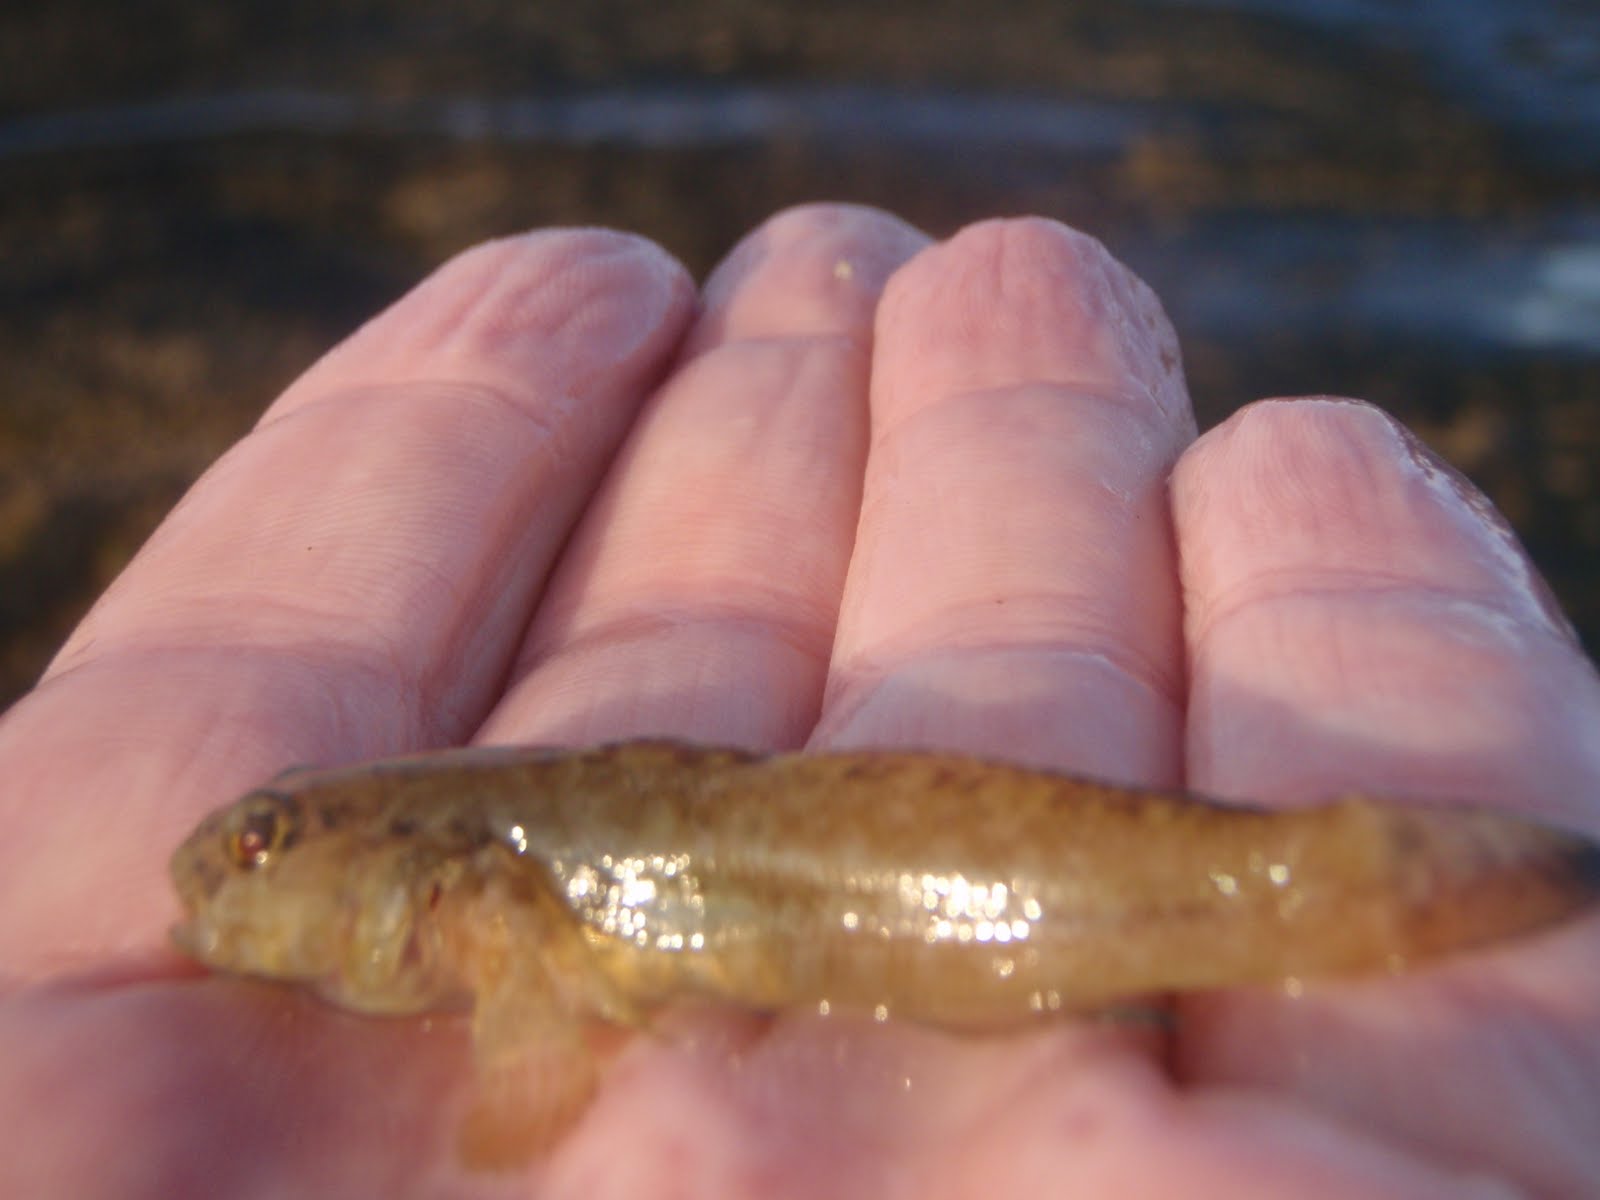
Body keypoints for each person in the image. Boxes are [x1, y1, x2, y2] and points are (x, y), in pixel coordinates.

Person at [0, 205, 1595, 1195]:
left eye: (271, 839)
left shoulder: (487, 885)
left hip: (873, 871)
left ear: (430, 872)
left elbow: (536, 1002)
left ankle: (1442, 886)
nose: (222, 870)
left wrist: (526, 1086)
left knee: (1255, 886)